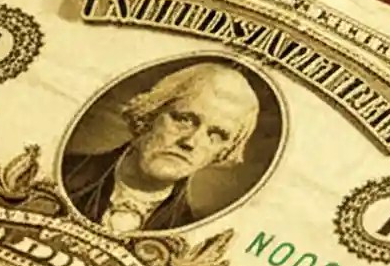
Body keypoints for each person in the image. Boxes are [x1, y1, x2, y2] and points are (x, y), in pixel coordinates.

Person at [62, 61, 261, 233]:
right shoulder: (64, 172)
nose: (190, 142)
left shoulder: (190, 232)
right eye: (184, 119)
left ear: (223, 153)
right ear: (149, 115)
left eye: (216, 136)